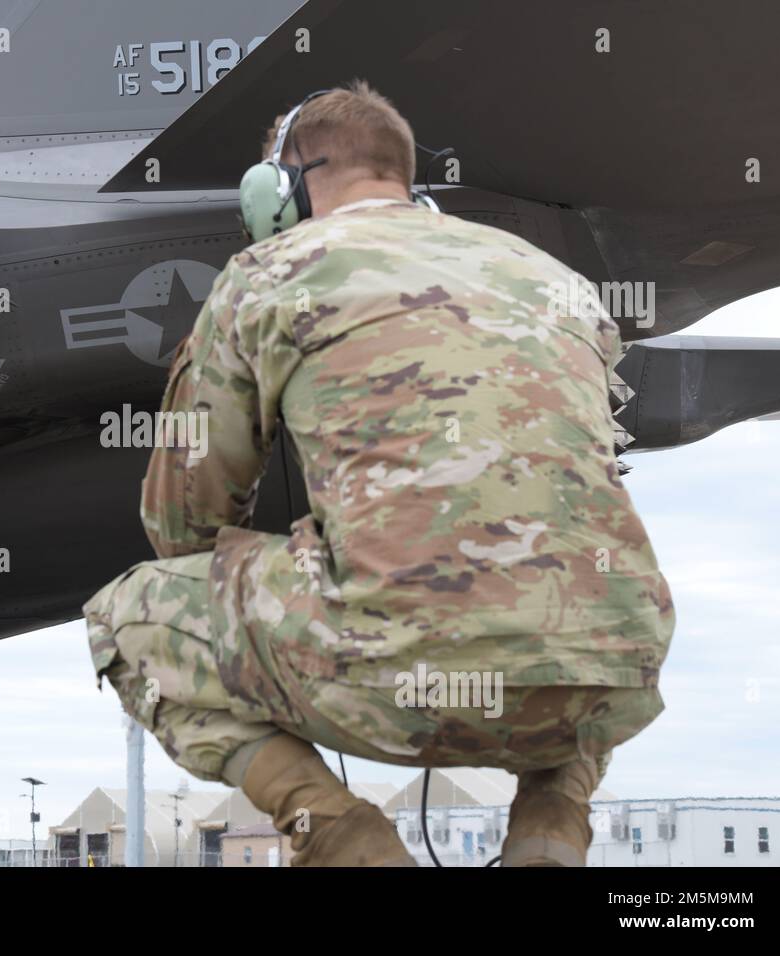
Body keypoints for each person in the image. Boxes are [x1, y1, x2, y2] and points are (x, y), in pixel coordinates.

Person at [83, 81, 673, 867]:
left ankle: (338, 834)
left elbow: (182, 526)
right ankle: (550, 827)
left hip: (396, 673)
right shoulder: (557, 283)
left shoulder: (269, 271)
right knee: (571, 603)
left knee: (124, 618)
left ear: (281, 189)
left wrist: (310, 544)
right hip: (611, 675)